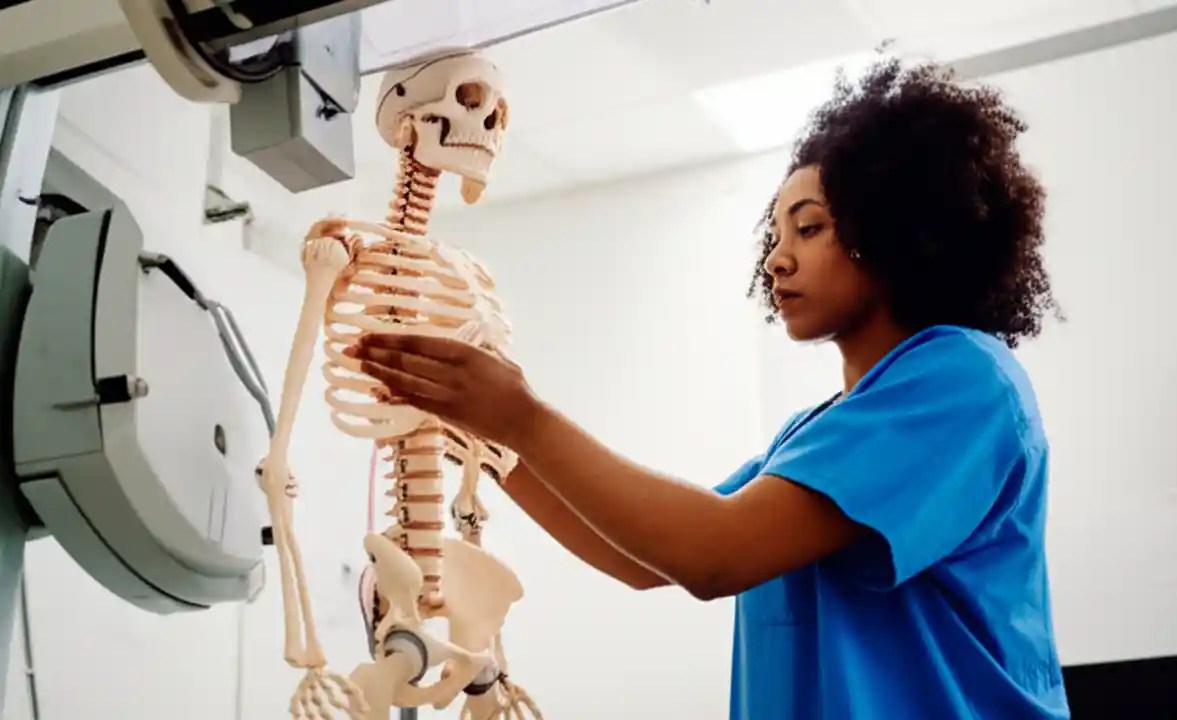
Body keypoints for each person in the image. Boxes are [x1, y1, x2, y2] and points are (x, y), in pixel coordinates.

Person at [349, 56, 1069, 720]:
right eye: (774, 237)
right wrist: (490, 438)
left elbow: (712, 556)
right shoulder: (812, 435)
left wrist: (522, 418)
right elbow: (640, 560)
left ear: (895, 228)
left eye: (809, 228)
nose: (778, 261)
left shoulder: (964, 381)